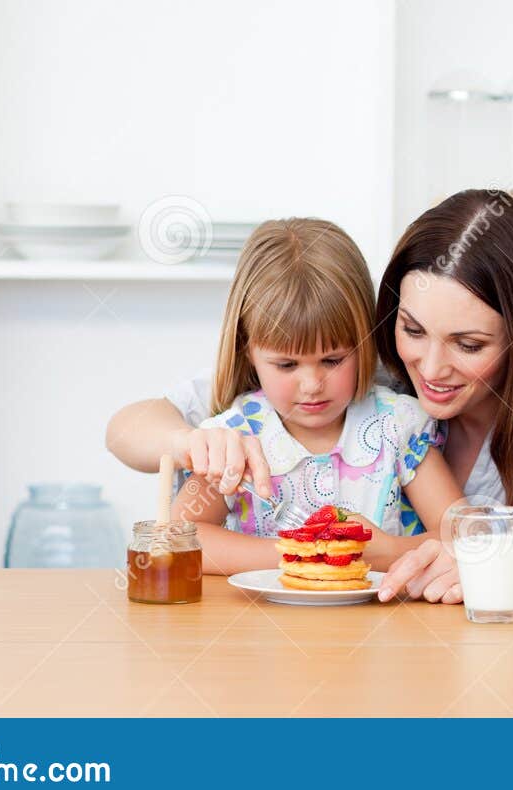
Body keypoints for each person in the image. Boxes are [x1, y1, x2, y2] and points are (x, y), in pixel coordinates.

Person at [107, 190, 513, 601]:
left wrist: (483, 564)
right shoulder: (358, 362)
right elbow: (140, 431)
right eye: (412, 330)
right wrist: (188, 443)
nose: (429, 368)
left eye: (468, 344)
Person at [167, 218, 461, 575]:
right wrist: (308, 554)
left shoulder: (398, 427)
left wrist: (377, 552)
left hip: (382, 627)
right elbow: (179, 537)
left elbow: (462, 536)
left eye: (333, 360)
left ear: (365, 343)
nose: (311, 385)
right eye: (287, 364)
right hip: (262, 629)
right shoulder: (236, 438)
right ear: (248, 351)